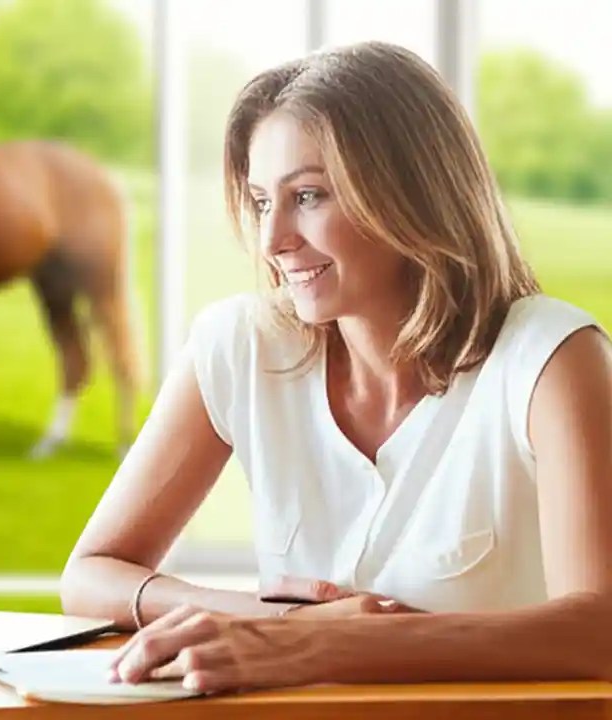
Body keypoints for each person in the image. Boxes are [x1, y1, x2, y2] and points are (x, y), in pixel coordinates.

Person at [60, 41, 612, 694]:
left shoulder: (552, 359)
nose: (273, 241)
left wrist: (331, 645)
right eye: (264, 201)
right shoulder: (241, 344)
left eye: (311, 195)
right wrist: (265, 622)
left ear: (413, 193)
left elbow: (599, 630)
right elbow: (92, 573)